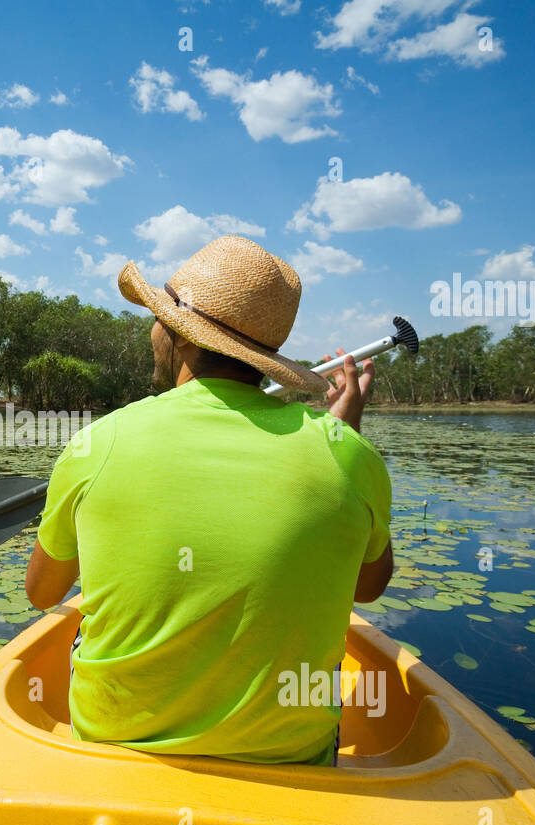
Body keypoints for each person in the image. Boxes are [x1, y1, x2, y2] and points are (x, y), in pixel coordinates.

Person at [24, 235, 392, 767]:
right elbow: (367, 586)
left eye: (158, 317)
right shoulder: (350, 455)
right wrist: (343, 437)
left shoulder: (96, 442)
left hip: (113, 753)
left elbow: (43, 593)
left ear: (176, 333)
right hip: (287, 760)